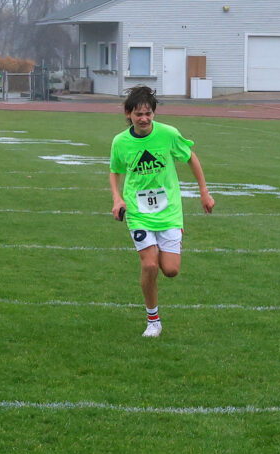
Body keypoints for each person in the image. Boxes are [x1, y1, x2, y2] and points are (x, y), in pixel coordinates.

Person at [108, 85, 215, 338]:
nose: (144, 119)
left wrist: (204, 192)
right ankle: (153, 320)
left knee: (171, 270)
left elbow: (191, 157)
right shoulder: (120, 142)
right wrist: (117, 198)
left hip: (169, 212)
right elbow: (115, 170)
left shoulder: (168, 134)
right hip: (138, 213)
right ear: (128, 114)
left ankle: (168, 242)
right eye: (138, 114)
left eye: (148, 113)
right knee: (149, 265)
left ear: (154, 113)